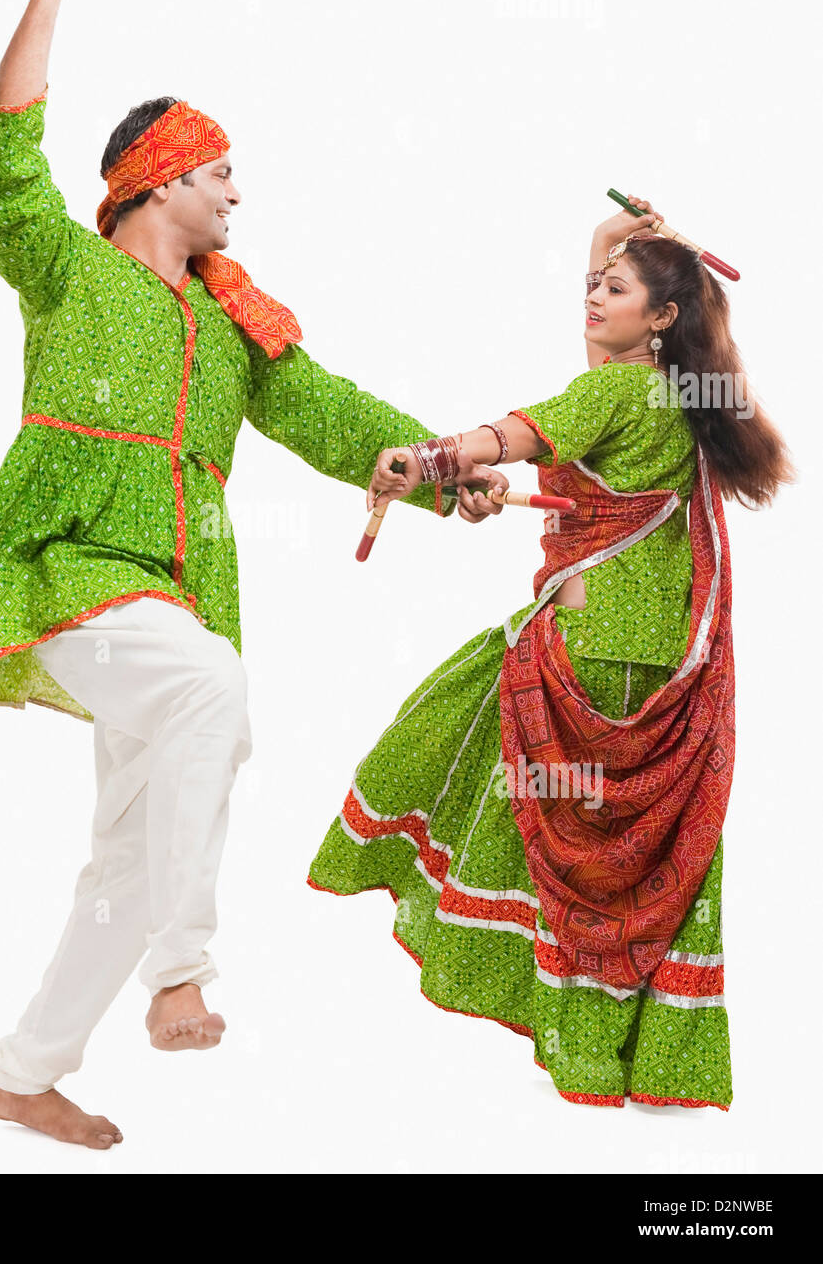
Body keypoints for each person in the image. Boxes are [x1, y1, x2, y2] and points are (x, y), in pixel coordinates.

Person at [0, 0, 461, 1149]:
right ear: (160, 177)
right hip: (60, 574)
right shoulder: (72, 267)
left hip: (171, 589)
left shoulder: (232, 326)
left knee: (126, 847)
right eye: (221, 175)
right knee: (214, 691)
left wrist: (443, 466)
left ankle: (24, 1071)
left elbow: (329, 413)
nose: (237, 195)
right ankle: (182, 972)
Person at [308, 196, 793, 1109]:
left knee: (507, 793)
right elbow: (578, 399)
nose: (590, 299)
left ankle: (553, 1015)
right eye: (589, 286)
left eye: (611, 290)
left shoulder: (614, 391)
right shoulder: (682, 392)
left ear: (660, 319)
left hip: (587, 655)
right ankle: (630, 1054)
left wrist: (436, 459)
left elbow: (522, 434)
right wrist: (615, 246)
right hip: (660, 665)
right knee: (641, 863)